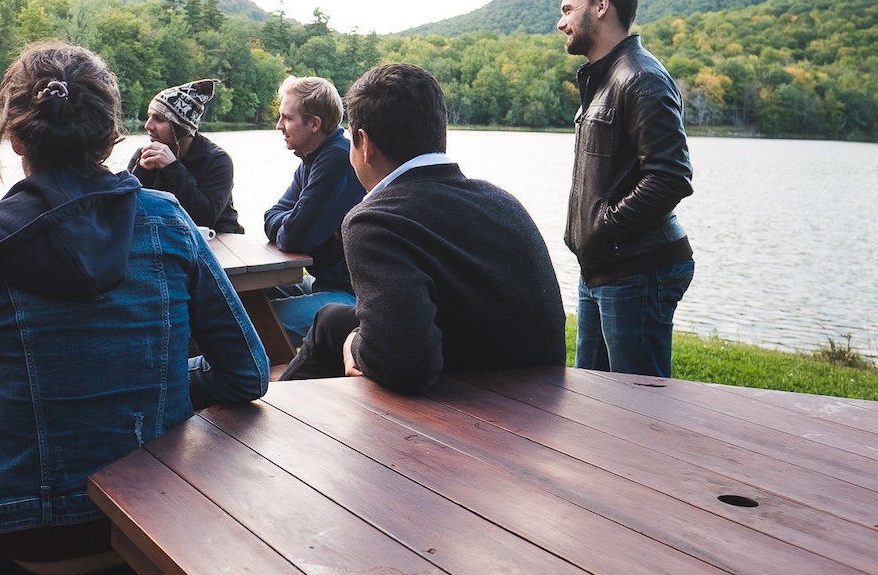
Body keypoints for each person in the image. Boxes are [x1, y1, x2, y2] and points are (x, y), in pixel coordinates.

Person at [0, 42, 269, 575]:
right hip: (147, 525)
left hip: (13, 542)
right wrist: (159, 377)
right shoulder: (170, 222)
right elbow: (247, 374)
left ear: (17, 138)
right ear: (111, 137)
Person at [281, 64, 565, 393]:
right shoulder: (502, 202)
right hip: (537, 396)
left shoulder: (374, 221)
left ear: (364, 143)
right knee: (330, 320)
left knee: (343, 335)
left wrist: (353, 345)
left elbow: (403, 365)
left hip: (467, 414)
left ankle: (268, 430)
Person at [558, 0, 694, 377]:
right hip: (601, 268)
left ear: (601, 7)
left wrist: (606, 229)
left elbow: (670, 176)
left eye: (568, 9)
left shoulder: (641, 78)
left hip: (637, 270)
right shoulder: (604, 78)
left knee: (639, 415)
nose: (561, 22)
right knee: (593, 406)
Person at [263, 75, 365, 344]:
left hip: (354, 297)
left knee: (253, 322)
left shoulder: (338, 158)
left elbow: (294, 236)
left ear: (314, 124)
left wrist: (293, 223)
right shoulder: (311, 160)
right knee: (250, 295)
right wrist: (294, 220)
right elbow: (271, 216)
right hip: (326, 284)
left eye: (287, 118)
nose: (279, 125)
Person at [124, 78, 244, 236]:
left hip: (219, 243)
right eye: (149, 117)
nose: (148, 126)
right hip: (167, 241)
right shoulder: (143, 156)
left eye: (159, 119)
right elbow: (123, 211)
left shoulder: (218, 161)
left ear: (180, 127)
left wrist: (172, 168)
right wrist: (142, 171)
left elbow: (204, 218)